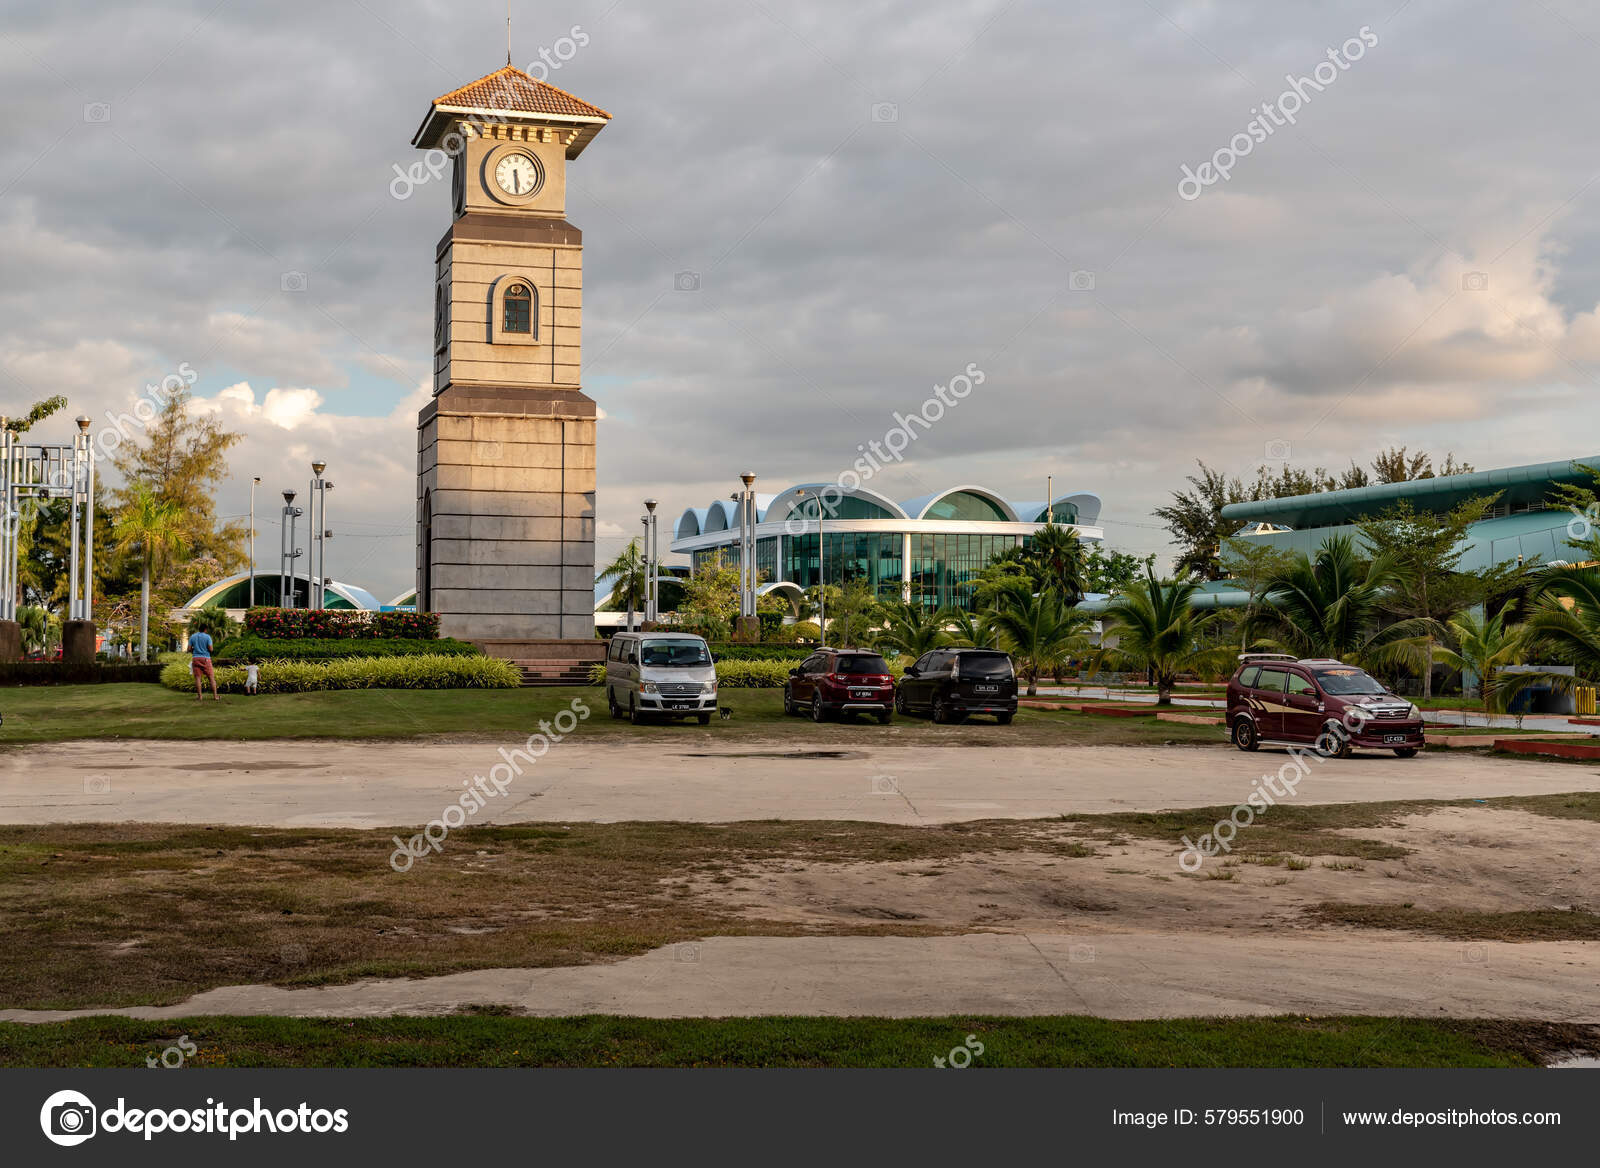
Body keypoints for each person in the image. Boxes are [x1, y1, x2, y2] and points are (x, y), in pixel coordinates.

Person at [189, 630, 219, 701]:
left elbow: (189, 649)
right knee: (211, 677)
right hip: (206, 659)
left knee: (198, 678)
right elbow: (211, 649)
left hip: (196, 658)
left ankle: (200, 697)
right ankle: (215, 696)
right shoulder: (208, 637)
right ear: (205, 629)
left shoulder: (192, 636)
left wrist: (195, 650)